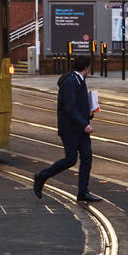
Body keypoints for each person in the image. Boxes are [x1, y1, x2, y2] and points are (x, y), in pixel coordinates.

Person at [33, 53, 102, 204]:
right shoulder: (70, 82)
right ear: (86, 67)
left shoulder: (80, 80)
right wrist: (84, 124)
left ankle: (83, 192)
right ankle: (42, 176)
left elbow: (77, 104)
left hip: (80, 128)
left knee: (87, 158)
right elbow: (69, 108)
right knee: (70, 160)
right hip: (71, 128)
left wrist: (89, 113)